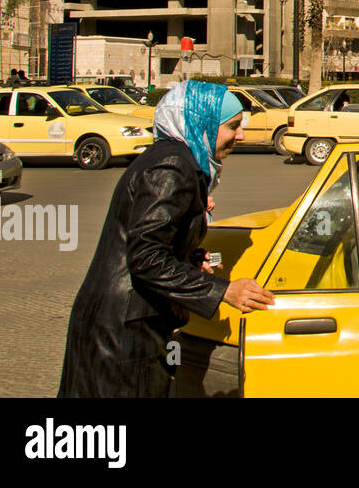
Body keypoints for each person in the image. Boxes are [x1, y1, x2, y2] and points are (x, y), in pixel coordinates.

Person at [58, 80, 274, 397]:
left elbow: (157, 240)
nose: (240, 135)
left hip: (130, 322)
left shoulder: (176, 160)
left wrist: (189, 260)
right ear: (202, 123)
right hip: (123, 331)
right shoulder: (172, 165)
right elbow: (145, 257)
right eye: (232, 126)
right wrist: (224, 290)